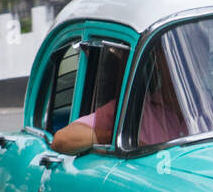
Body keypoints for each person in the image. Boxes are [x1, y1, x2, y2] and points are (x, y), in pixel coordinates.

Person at [51, 43, 186, 153]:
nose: (182, 65)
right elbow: (62, 140)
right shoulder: (133, 109)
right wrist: (120, 138)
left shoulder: (206, 111)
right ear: (160, 59)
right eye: (177, 53)